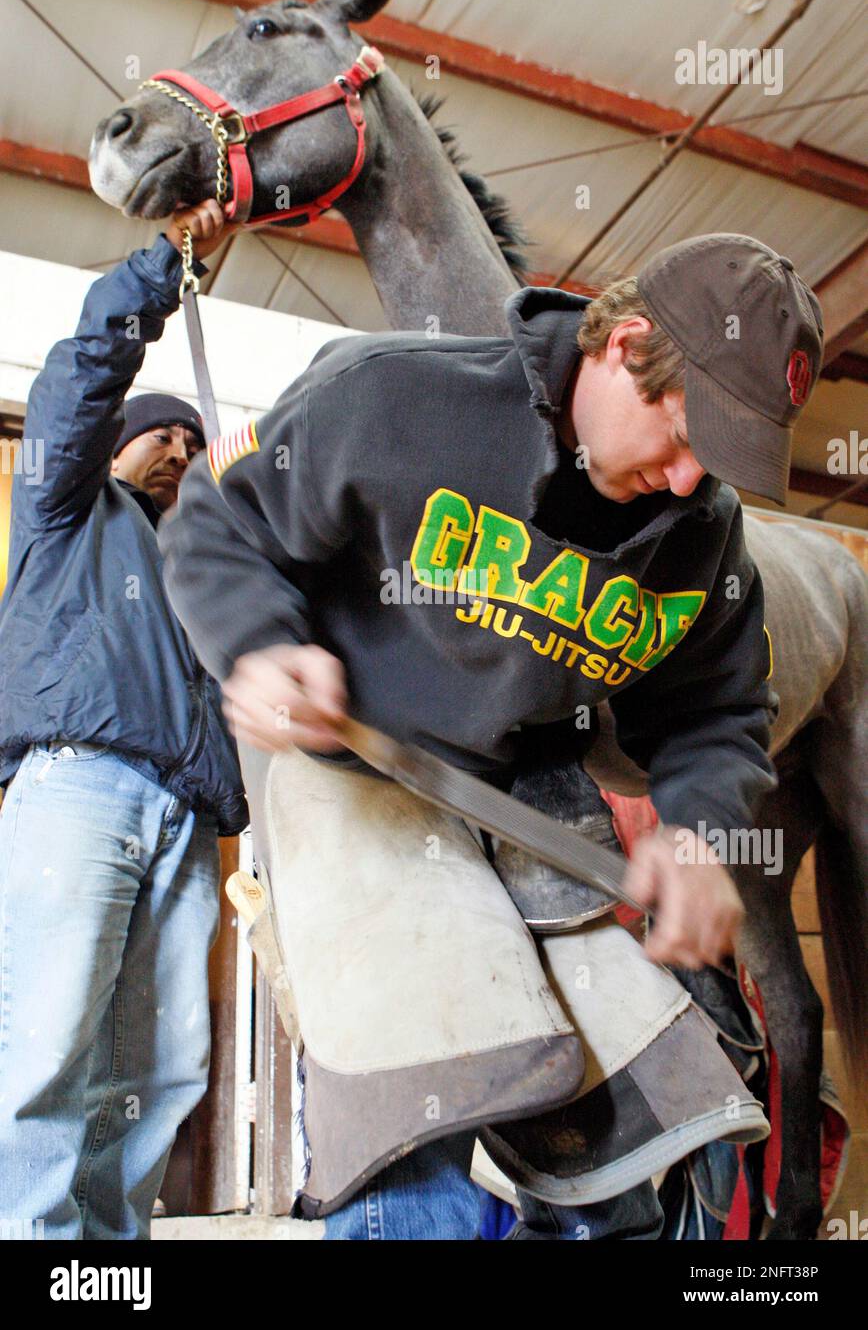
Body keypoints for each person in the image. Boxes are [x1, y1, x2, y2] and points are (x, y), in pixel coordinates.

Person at [158, 232, 823, 1239]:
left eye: (719, 462)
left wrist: (696, 829)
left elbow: (716, 711)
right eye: (684, 432)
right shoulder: (392, 396)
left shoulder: (702, 532)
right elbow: (214, 514)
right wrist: (255, 645)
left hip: (527, 781)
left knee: (626, 1124)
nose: (690, 481)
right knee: (419, 1105)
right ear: (623, 343)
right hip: (354, 755)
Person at [0, 201, 247, 1240]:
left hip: (188, 822)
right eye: (161, 431)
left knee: (162, 1065)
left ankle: (105, 1263)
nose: (180, 447)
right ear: (111, 443)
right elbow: (78, 374)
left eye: (195, 439)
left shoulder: (212, 572)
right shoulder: (64, 508)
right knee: (51, 1044)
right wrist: (169, 264)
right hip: (81, 782)